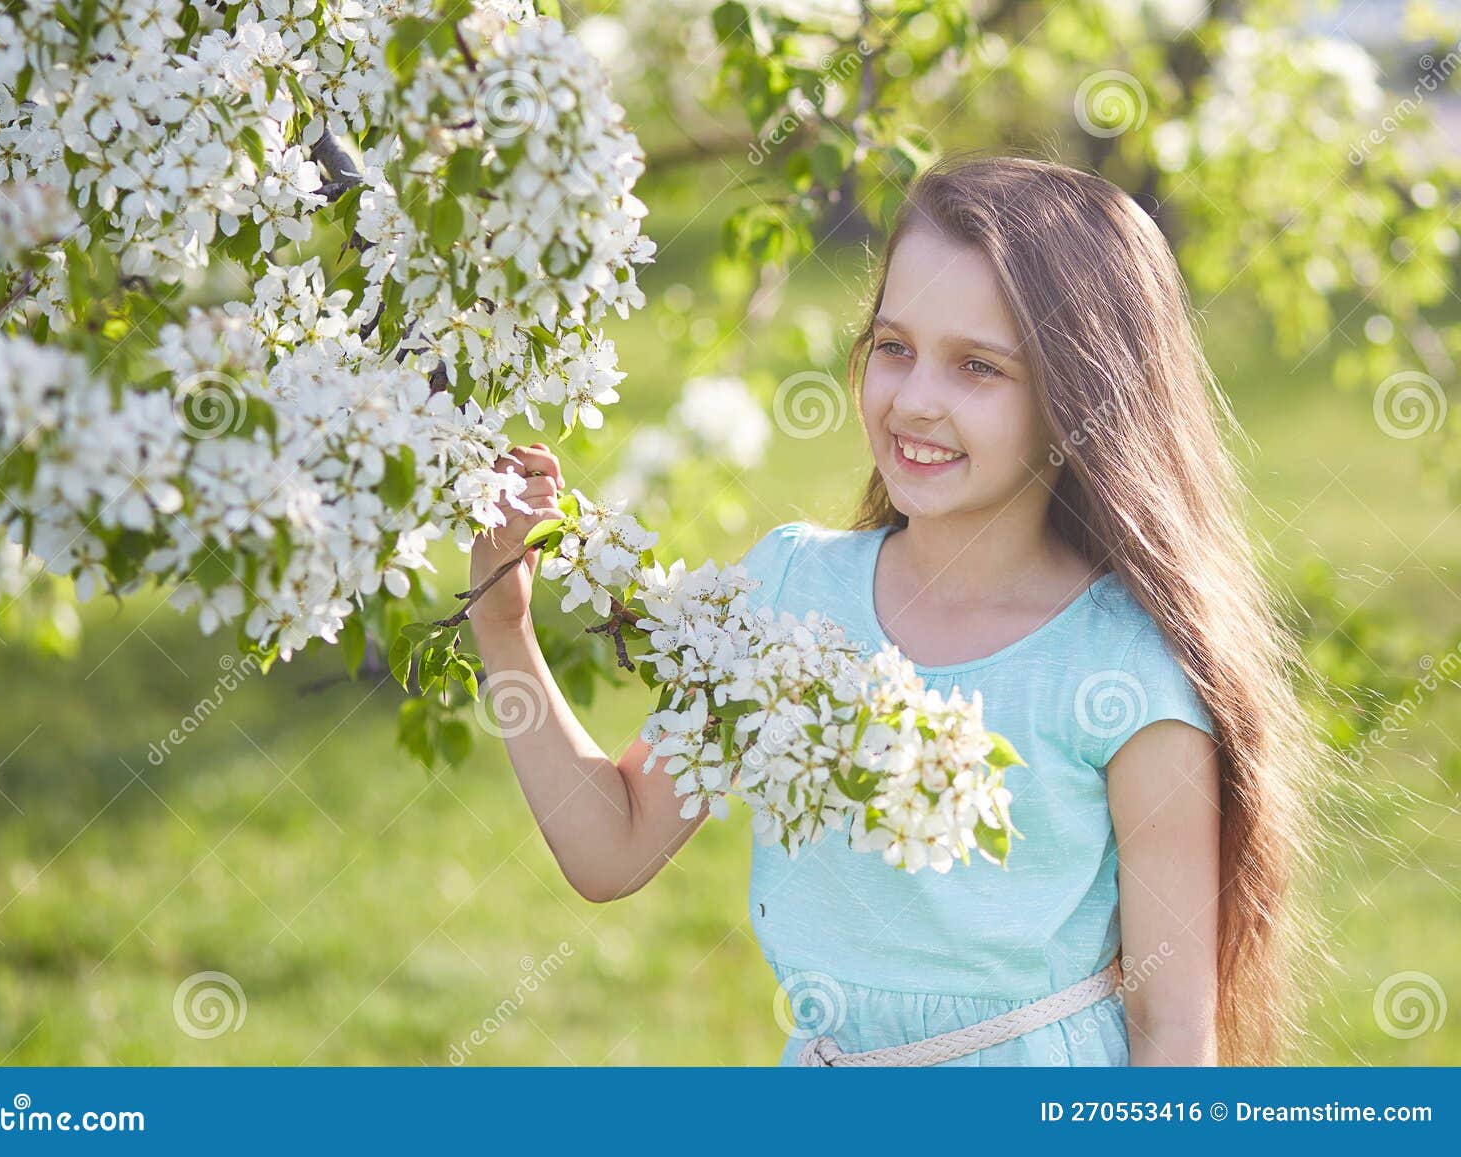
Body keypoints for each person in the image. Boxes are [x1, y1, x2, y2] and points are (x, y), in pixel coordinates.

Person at [466, 154, 1325, 1067]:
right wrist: (503, 621)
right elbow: (614, 846)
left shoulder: (1124, 670)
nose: (915, 400)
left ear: (1081, 396)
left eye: (978, 367)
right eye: (894, 346)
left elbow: (1171, 1033)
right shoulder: (792, 594)